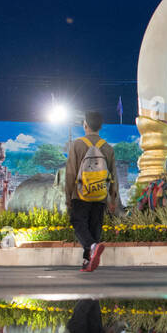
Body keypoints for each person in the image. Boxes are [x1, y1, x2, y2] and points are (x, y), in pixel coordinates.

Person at [64, 110, 119, 271]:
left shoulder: (77, 145)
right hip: (100, 195)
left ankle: (92, 247)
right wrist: (112, 199)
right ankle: (87, 261)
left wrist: (68, 197)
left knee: (79, 222)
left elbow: (70, 173)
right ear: (100, 127)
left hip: (80, 195)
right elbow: (114, 176)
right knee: (94, 227)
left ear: (85, 125)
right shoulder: (108, 148)